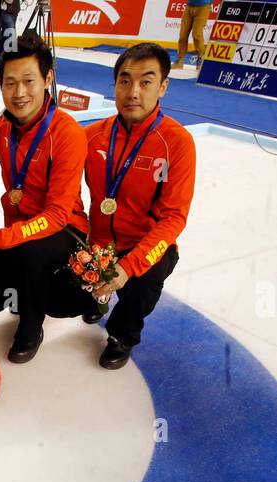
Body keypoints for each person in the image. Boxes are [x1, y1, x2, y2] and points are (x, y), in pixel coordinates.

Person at [0, 31, 92, 364]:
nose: (19, 93)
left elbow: (55, 216)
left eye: (28, 81)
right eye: (10, 83)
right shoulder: (3, 127)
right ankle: (22, 294)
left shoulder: (66, 133)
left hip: (63, 232)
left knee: (33, 253)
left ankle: (32, 325)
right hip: (20, 233)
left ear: (47, 79)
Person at [82, 43, 196, 369]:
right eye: (125, 81)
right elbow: (59, 186)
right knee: (59, 291)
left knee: (144, 283)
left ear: (163, 86)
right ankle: (93, 297)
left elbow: (174, 217)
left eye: (146, 82)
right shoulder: (92, 136)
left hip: (146, 246)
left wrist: (128, 267)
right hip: (97, 244)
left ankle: (122, 335)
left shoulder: (177, 142)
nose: (133, 92)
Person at [174, 0, 212, 71]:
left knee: (197, 34)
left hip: (203, 7)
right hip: (189, 6)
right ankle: (180, 61)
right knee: (182, 35)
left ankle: (200, 59)